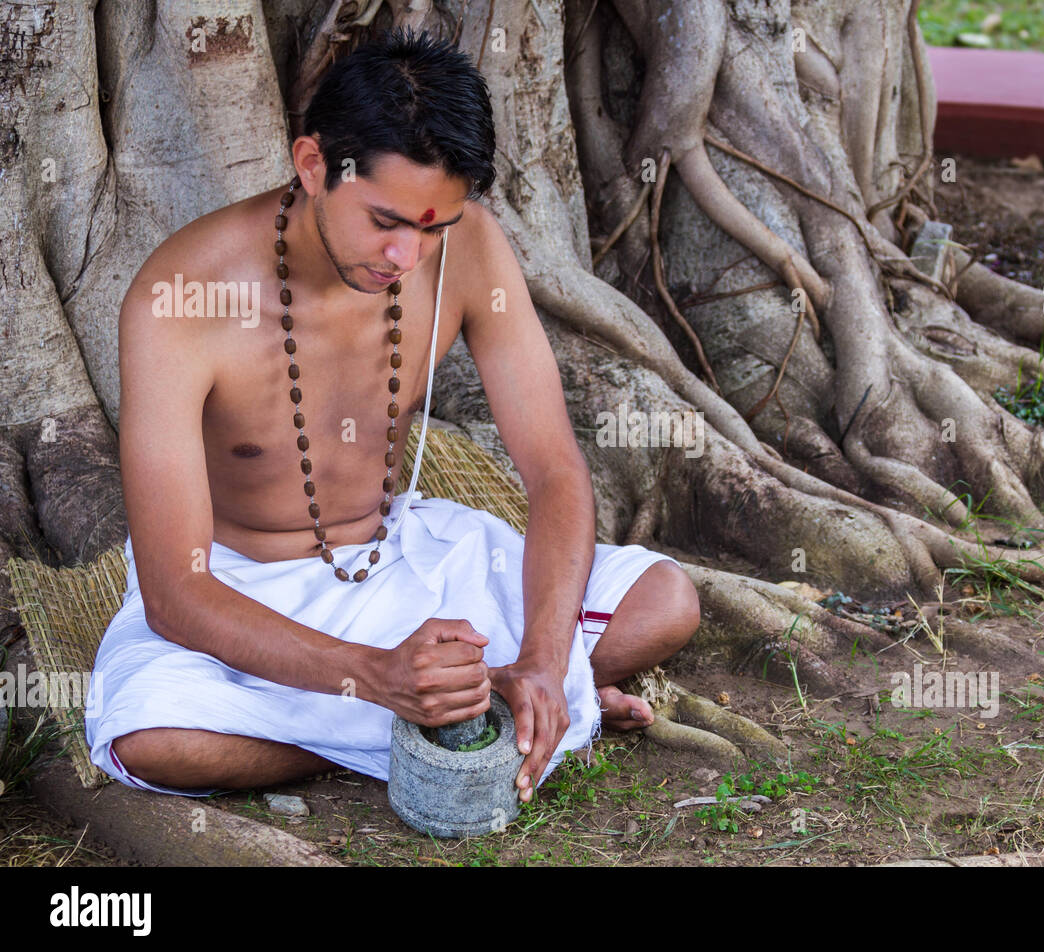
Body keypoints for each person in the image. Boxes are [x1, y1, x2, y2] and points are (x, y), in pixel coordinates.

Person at [83, 29, 700, 803]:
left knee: (663, 603)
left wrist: (544, 659)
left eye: (431, 228)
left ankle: (491, 698)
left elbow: (554, 470)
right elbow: (176, 592)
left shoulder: (469, 248)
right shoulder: (182, 295)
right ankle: (449, 722)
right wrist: (374, 677)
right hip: (243, 596)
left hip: (409, 561)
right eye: (384, 221)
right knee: (156, 741)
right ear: (314, 166)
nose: (407, 257)